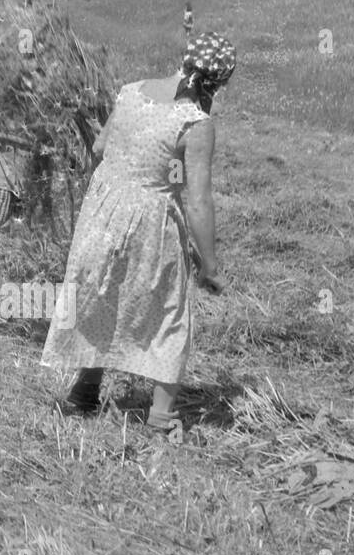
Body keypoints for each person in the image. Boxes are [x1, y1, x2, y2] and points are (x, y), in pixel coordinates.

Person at [41, 33, 236, 438]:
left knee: (102, 296)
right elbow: (198, 201)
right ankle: (161, 420)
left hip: (103, 211)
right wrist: (211, 265)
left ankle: (84, 392)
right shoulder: (196, 124)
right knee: (169, 314)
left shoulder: (131, 91)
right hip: (150, 221)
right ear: (217, 83)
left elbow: (98, 147)